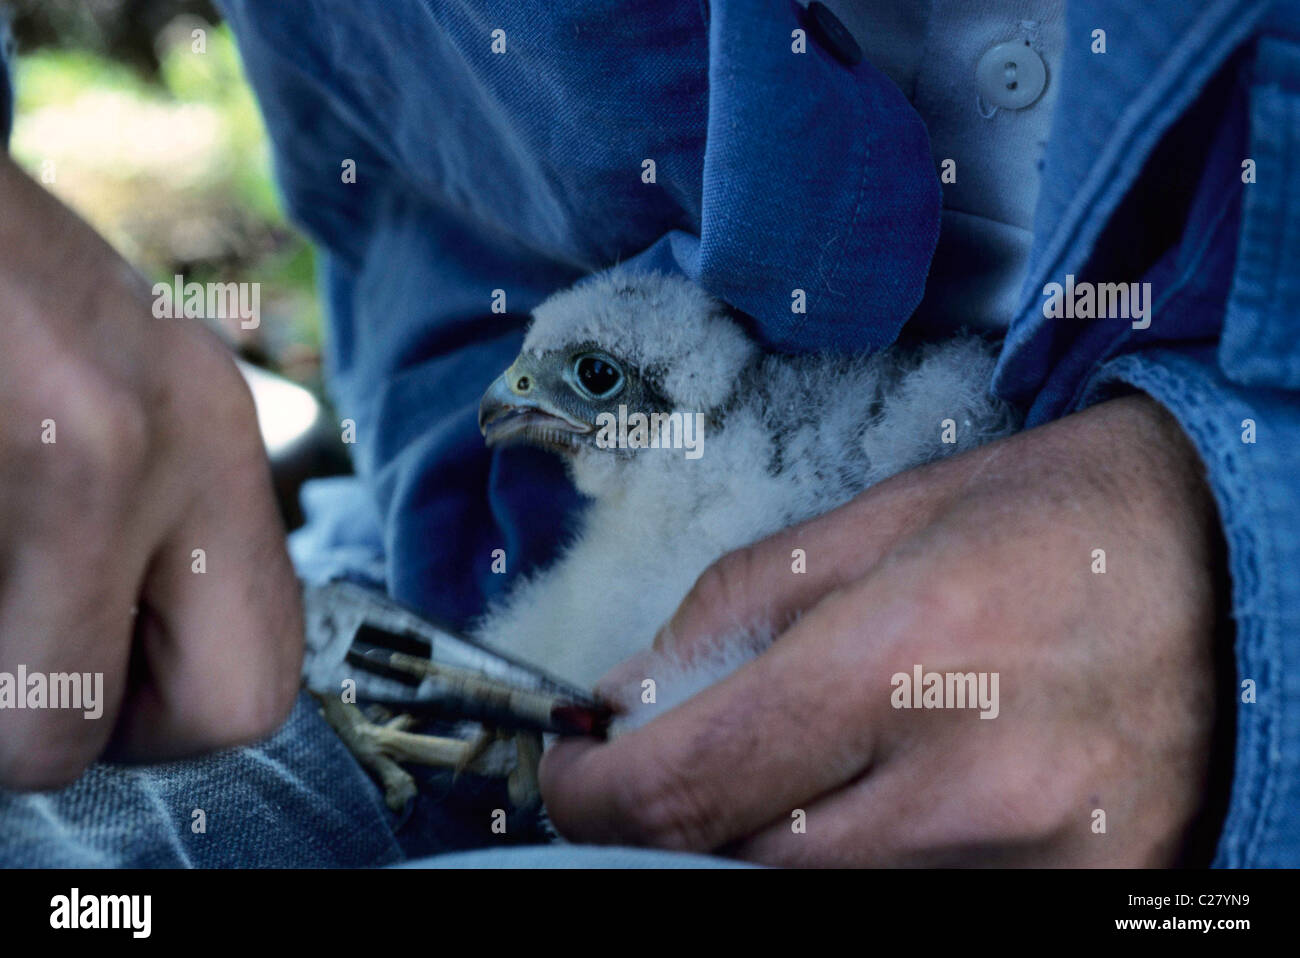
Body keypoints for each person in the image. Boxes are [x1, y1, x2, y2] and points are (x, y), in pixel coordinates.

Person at [0, 0, 1297, 867]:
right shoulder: (614, 507)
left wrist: (1251, 589)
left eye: (590, 385)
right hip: (433, 643)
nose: (538, 406)